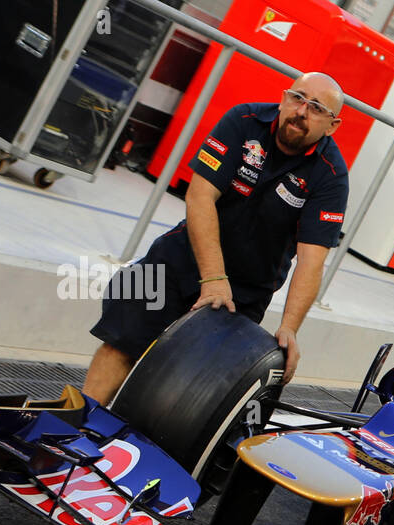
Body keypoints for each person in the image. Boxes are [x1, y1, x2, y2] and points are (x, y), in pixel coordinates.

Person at [83, 73, 351, 403]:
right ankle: (79, 425)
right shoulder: (243, 121)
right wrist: (213, 278)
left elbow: (312, 260)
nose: (301, 111)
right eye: (297, 98)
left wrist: (289, 328)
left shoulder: (331, 174)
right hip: (177, 260)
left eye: (316, 108)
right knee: (121, 342)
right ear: (283, 98)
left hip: (245, 294)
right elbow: (199, 196)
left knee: (189, 388)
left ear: (332, 125)